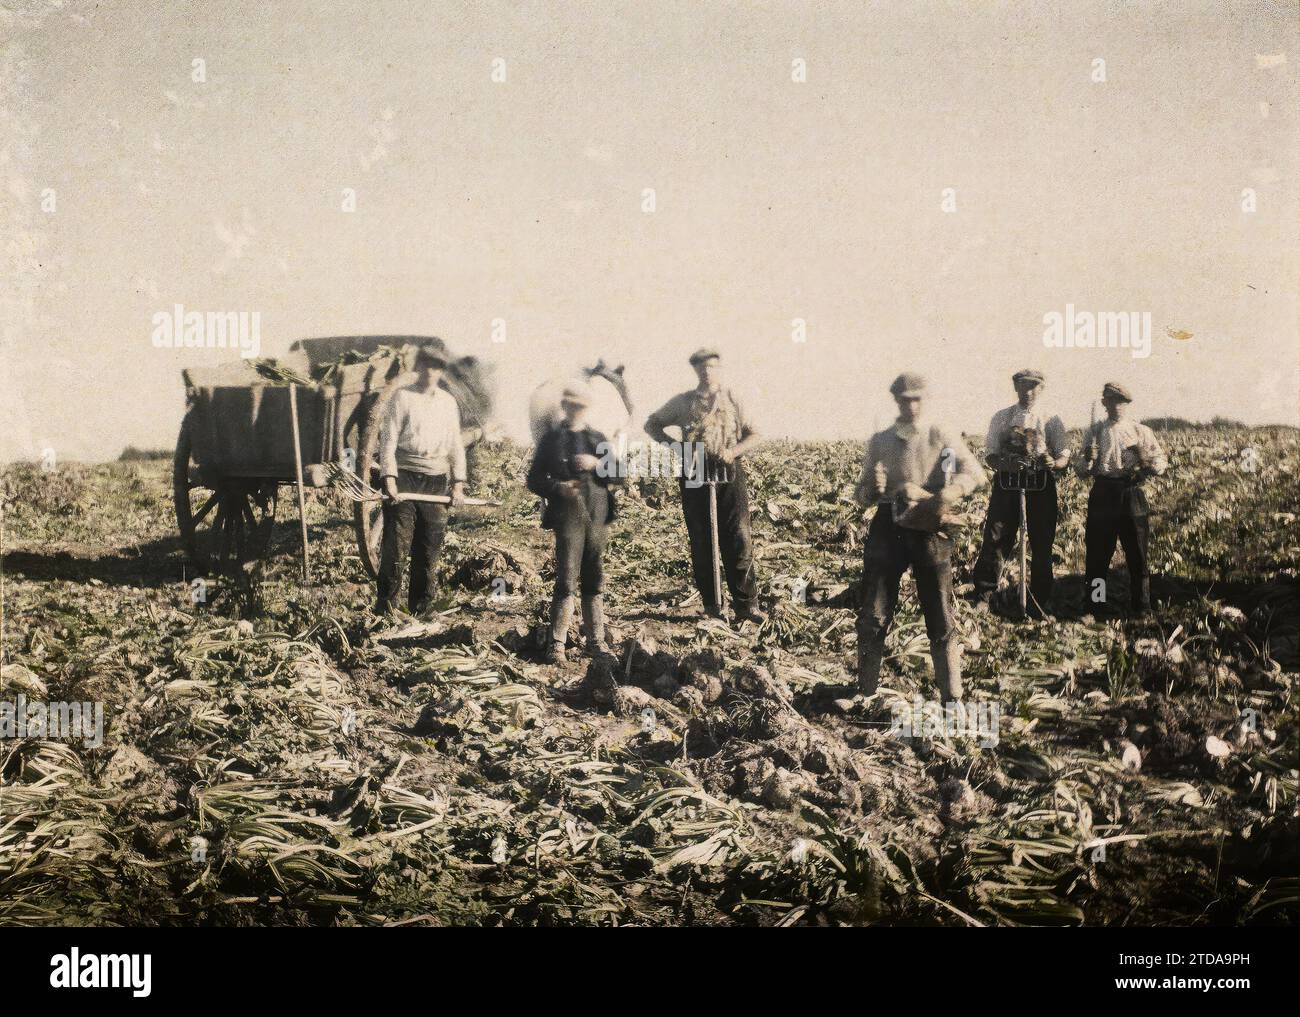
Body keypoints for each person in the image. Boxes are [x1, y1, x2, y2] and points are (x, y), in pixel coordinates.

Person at [852, 373, 986, 701]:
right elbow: (861, 494)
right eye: (905, 399)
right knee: (873, 613)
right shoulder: (881, 440)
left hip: (928, 526)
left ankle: (952, 697)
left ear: (925, 399)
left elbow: (974, 473)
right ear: (896, 400)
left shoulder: (939, 434)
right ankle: (865, 693)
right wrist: (873, 489)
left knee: (939, 613)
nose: (911, 406)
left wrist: (949, 493)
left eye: (917, 399)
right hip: (888, 525)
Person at [644, 348, 765, 623]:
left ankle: (747, 605)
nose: (707, 372)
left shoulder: (733, 398)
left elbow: (755, 434)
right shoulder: (684, 402)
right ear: (695, 370)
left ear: (719, 369)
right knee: (702, 540)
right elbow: (652, 424)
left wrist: (732, 452)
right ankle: (713, 606)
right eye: (702, 367)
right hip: (694, 472)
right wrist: (678, 448)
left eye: (712, 367)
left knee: (738, 537)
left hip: (728, 472)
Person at [526, 383, 620, 664]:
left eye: (580, 406)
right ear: (564, 406)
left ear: (586, 408)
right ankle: (557, 643)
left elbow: (619, 474)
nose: (575, 410)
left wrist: (596, 464)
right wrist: (558, 488)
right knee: (566, 577)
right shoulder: (552, 440)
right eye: (570, 405)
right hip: (567, 512)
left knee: (594, 574)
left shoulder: (597, 438)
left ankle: (596, 641)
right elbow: (534, 479)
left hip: (597, 511)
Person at [376, 340, 467, 614]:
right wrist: (389, 478)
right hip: (404, 477)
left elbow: (456, 445)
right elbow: (388, 440)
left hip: (436, 480)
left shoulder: (448, 403)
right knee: (396, 547)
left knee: (428, 549)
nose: (430, 371)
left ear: (441, 371)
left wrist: (458, 484)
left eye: (436, 367)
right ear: (418, 367)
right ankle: (386, 610)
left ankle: (421, 610)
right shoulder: (402, 397)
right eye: (426, 365)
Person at [972, 369, 1071, 616]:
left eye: (1033, 387)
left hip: (1040, 486)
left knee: (1042, 543)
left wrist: (1054, 463)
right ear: (1016, 387)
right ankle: (984, 595)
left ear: (1041, 389)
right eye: (1024, 386)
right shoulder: (1002, 417)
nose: (1028, 392)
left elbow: (1063, 454)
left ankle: (1040, 600)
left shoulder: (1051, 419)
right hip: (1007, 484)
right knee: (996, 538)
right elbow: (990, 455)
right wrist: (1007, 465)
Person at [1078, 382, 1168, 616]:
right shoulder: (1095, 432)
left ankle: (1142, 606)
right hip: (1103, 493)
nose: (1116, 405)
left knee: (1138, 554)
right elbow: (1081, 470)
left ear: (1127, 404)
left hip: (1131, 492)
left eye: (1121, 401)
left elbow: (1160, 461)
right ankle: (1095, 606)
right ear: (1104, 403)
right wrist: (1088, 458)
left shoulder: (1140, 431)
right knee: (1098, 557)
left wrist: (1148, 465)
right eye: (1111, 401)